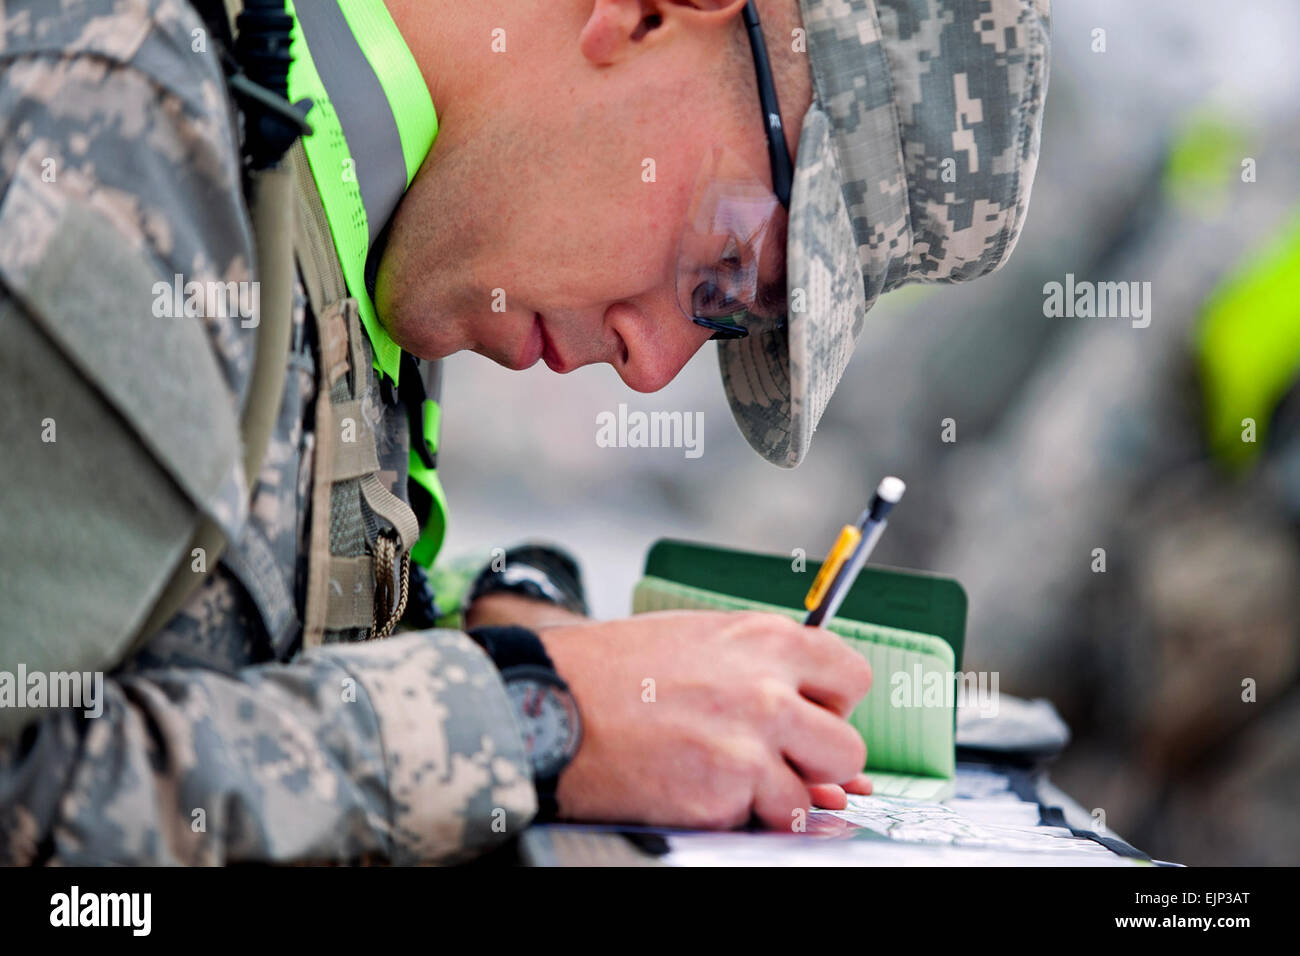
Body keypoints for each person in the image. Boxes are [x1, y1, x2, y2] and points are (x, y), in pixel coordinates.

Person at [0, 0, 1049, 864]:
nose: (651, 365)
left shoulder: (337, 197)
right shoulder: (113, 129)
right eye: (728, 269)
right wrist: (535, 722)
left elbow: (208, 641)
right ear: (647, 16)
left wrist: (498, 627)